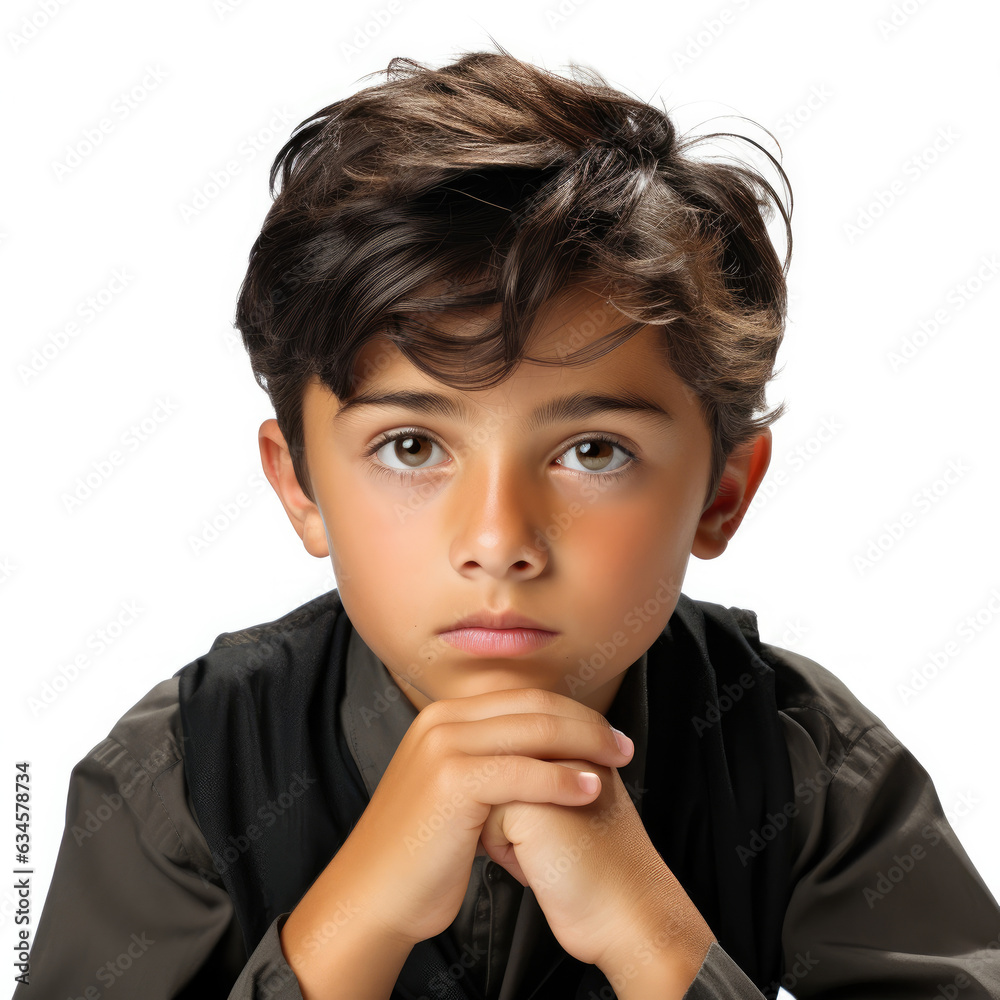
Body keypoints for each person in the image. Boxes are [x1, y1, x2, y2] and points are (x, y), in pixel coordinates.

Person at [16, 46, 1000, 1000]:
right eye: (410, 446)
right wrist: (346, 932)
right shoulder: (182, 772)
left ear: (720, 493)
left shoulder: (799, 755)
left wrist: (654, 941)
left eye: (593, 451)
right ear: (302, 485)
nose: (497, 539)